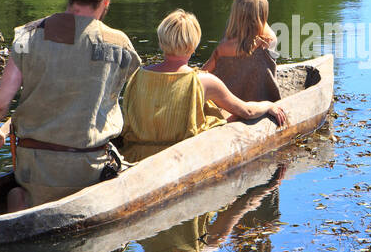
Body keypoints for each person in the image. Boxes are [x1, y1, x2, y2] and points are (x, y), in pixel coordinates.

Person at [0, 0, 140, 211]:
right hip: (89, 169)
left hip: (34, 170)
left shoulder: (27, 37)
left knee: (20, 194)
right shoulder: (120, 45)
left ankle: (22, 202)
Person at [119, 9, 287, 163]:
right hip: (180, 159)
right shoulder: (203, 81)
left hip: (134, 155)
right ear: (193, 45)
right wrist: (268, 105)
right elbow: (247, 111)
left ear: (162, 41)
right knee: (229, 115)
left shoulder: (137, 76)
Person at [201, 0, 280, 103]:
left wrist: (241, 1)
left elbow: (205, 71)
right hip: (259, 101)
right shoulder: (267, 41)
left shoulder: (224, 47)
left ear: (235, 15)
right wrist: (246, 0)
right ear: (263, 17)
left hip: (226, 102)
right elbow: (263, 25)